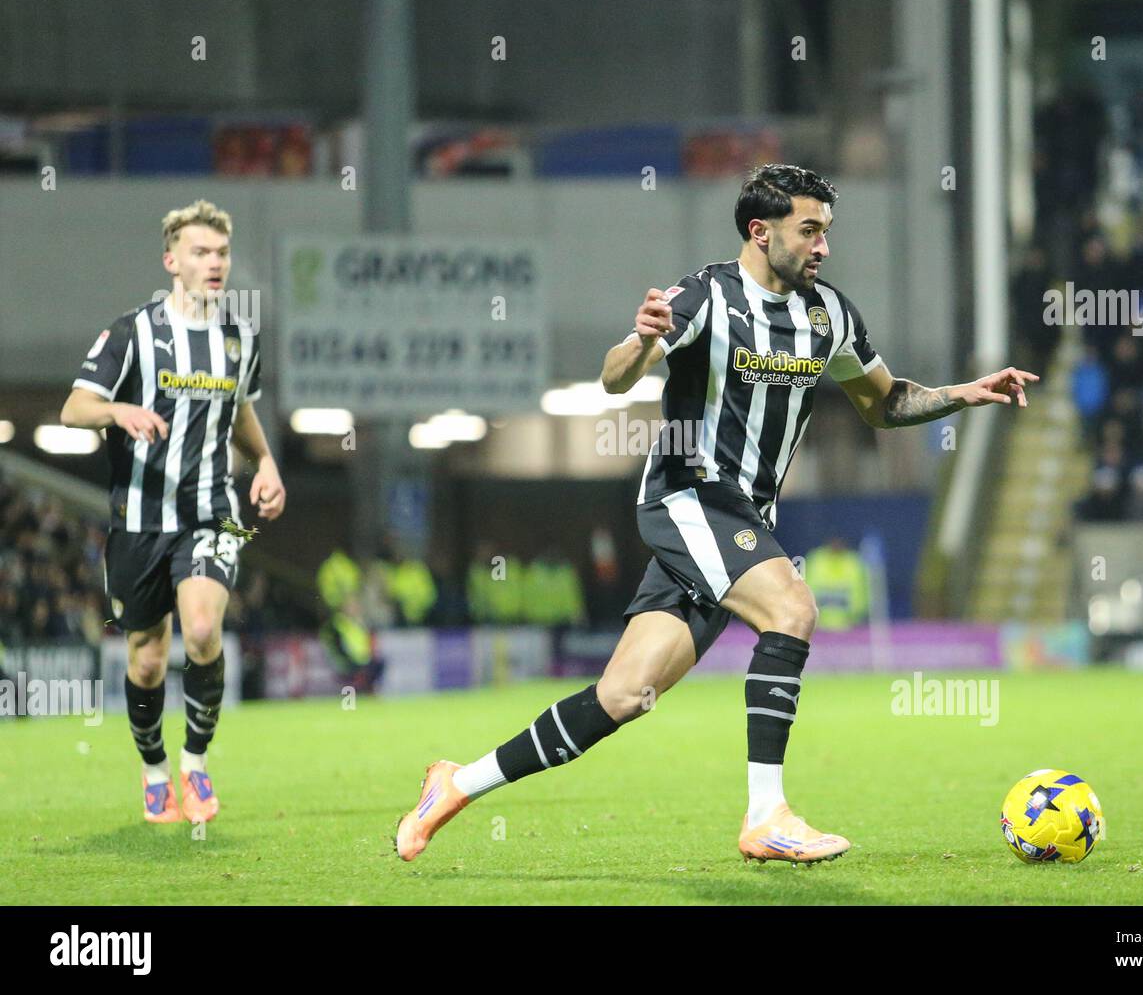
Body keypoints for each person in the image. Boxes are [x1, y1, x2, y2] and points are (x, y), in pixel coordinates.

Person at [395, 163, 1037, 864]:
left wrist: (963, 394)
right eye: (809, 230)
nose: (823, 245)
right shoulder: (705, 296)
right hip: (688, 497)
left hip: (740, 520)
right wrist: (640, 341)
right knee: (792, 608)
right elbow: (615, 378)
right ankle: (767, 815)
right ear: (761, 232)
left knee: (622, 696)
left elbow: (883, 403)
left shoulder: (829, 315)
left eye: (827, 231)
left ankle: (457, 783)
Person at [59, 200, 286, 825]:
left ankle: (194, 762)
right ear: (172, 261)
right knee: (148, 657)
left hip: (211, 513)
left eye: (221, 253)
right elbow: (73, 408)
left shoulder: (240, 337)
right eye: (200, 253)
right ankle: (155, 768)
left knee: (206, 631)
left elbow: (239, 408)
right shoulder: (133, 333)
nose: (214, 263)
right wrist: (117, 412)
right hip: (137, 523)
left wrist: (264, 463)